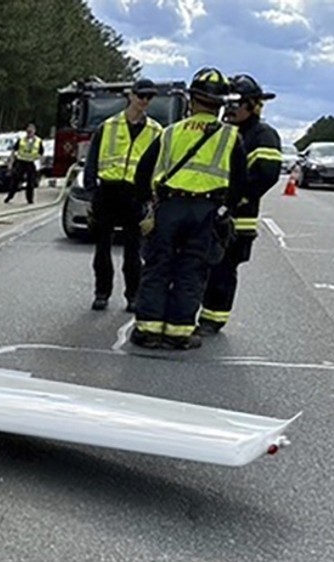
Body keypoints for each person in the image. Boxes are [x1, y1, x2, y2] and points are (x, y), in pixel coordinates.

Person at [129, 67, 248, 350]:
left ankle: (148, 330)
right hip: (207, 212)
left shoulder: (170, 133)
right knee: (191, 270)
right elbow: (241, 184)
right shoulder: (231, 138)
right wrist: (224, 209)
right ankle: (179, 332)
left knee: (158, 267)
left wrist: (149, 204)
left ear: (191, 101)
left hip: (169, 207)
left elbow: (142, 174)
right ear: (220, 106)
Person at [197, 74, 282, 336]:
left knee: (223, 270)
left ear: (254, 105)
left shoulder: (262, 135)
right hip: (211, 213)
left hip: (237, 219)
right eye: (229, 103)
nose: (232, 109)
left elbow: (266, 175)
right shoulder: (224, 131)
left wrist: (233, 200)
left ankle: (213, 320)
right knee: (203, 266)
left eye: (239, 104)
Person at [82, 79, 164, 311]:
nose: (145, 101)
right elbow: (92, 160)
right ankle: (102, 293)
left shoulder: (156, 131)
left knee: (133, 251)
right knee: (102, 249)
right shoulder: (108, 126)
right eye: (141, 96)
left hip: (135, 194)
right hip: (108, 191)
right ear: (131, 95)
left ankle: (133, 296)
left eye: (149, 97)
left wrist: (151, 199)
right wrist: (91, 192)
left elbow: (159, 166)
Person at [5, 123, 43, 204]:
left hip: (31, 163)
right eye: (28, 131)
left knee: (31, 183)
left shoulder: (38, 141)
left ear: (34, 132)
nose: (29, 133)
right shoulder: (21, 140)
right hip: (21, 162)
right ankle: (10, 196)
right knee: (15, 180)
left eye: (31, 132)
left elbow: (41, 154)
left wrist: (39, 164)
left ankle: (30, 199)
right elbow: (14, 151)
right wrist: (10, 163)